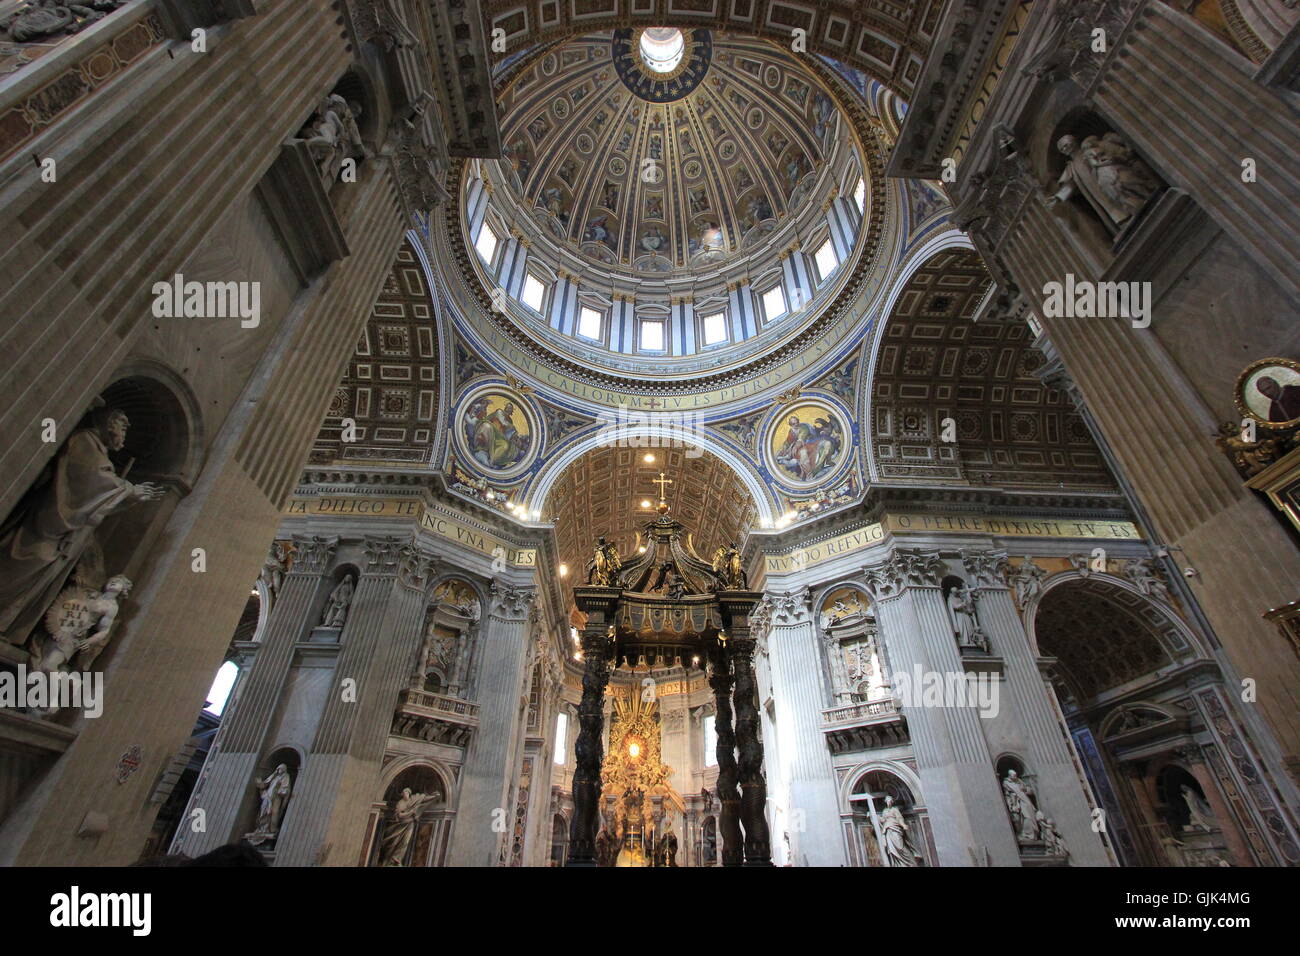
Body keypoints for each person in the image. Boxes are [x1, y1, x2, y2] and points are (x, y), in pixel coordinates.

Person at [0, 406, 163, 644]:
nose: (125, 432)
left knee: (39, 576)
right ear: (108, 422)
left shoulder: (98, 450)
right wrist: (129, 490)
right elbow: (90, 479)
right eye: (123, 425)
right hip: (49, 523)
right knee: (26, 563)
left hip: (70, 534)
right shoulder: (83, 440)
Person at [379, 788, 440, 866]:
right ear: (402, 794)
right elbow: (399, 815)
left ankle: (397, 859)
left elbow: (423, 799)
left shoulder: (414, 799)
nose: (405, 794)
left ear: (409, 793)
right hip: (400, 825)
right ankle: (391, 859)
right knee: (395, 843)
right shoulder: (400, 803)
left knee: (405, 842)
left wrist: (434, 796)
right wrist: (410, 812)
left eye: (407, 792)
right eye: (404, 792)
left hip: (410, 824)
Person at [879, 795, 918, 866]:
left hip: (896, 829)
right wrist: (878, 818)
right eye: (887, 801)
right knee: (891, 849)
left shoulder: (895, 809)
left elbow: (900, 818)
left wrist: (903, 825)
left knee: (900, 847)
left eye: (890, 801)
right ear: (886, 802)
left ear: (892, 802)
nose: (889, 803)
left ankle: (911, 862)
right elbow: (883, 820)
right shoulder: (884, 811)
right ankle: (898, 864)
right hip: (888, 830)